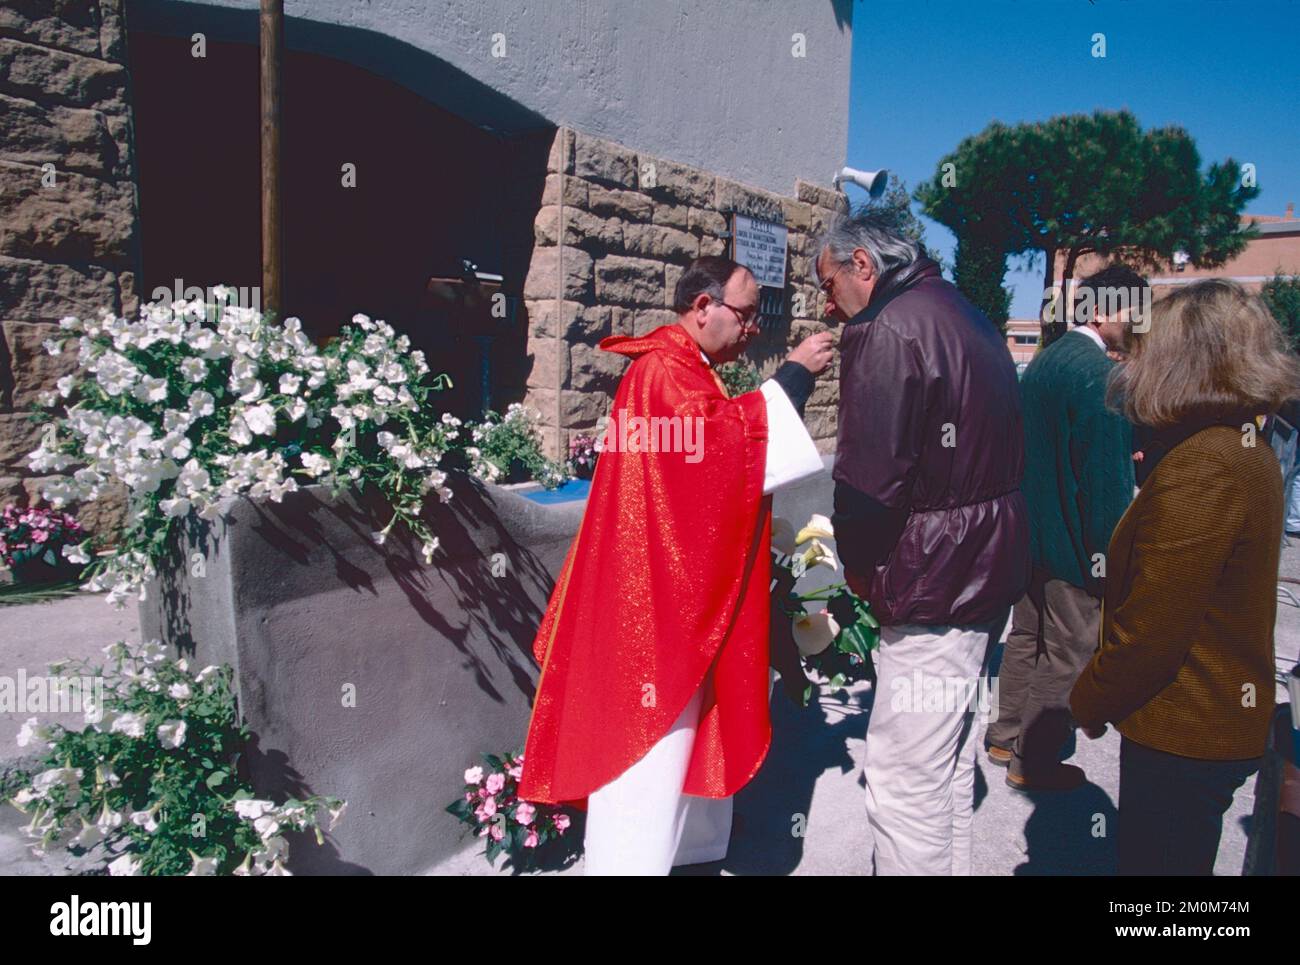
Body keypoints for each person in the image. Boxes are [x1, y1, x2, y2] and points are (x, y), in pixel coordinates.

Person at [518, 255, 834, 874]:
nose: (752, 329)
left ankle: (680, 852)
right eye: (744, 314)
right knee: (650, 745)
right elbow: (715, 453)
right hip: (652, 603)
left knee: (680, 741)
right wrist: (792, 377)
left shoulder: (691, 368)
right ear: (702, 308)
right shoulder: (663, 371)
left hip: (666, 586)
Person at [813, 208, 1029, 875]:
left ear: (863, 266)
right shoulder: (964, 312)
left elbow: (866, 484)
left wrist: (857, 571)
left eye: (829, 283)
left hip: (936, 582)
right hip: (983, 573)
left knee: (905, 786)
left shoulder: (886, 328)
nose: (828, 301)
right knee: (945, 772)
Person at [1070, 279, 1300, 875]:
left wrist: (1089, 699)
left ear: (1186, 361)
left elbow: (1152, 631)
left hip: (1184, 730)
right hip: (1204, 723)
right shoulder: (1242, 444)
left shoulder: (1208, 464)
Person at [986, 265, 1145, 791]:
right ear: (1101, 311)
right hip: (1075, 547)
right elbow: (1106, 486)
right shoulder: (1101, 376)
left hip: (1032, 538)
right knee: (1069, 650)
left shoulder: (1049, 360)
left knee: (1026, 638)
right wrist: (1113, 559)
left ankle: (1005, 735)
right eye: (1134, 311)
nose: (1140, 323)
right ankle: (1033, 761)